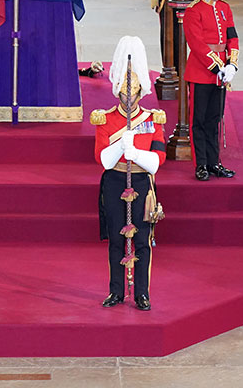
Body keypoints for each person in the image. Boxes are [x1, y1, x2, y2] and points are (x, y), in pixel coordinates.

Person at [89, 36, 164, 311]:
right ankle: (117, 292)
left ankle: (142, 293)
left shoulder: (152, 120)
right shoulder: (105, 119)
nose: (129, 99)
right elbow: (102, 160)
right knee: (116, 241)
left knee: (143, 241)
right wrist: (121, 145)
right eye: (124, 93)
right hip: (114, 181)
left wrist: (138, 155)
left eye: (133, 94)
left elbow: (158, 161)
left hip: (142, 182)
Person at [184, 0, 240, 181]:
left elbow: (232, 37)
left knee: (214, 119)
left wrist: (232, 64)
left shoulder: (225, 8)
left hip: (221, 74)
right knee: (198, 120)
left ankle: (215, 162)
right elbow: (196, 45)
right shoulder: (193, 11)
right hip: (201, 72)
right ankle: (201, 164)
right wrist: (217, 66)